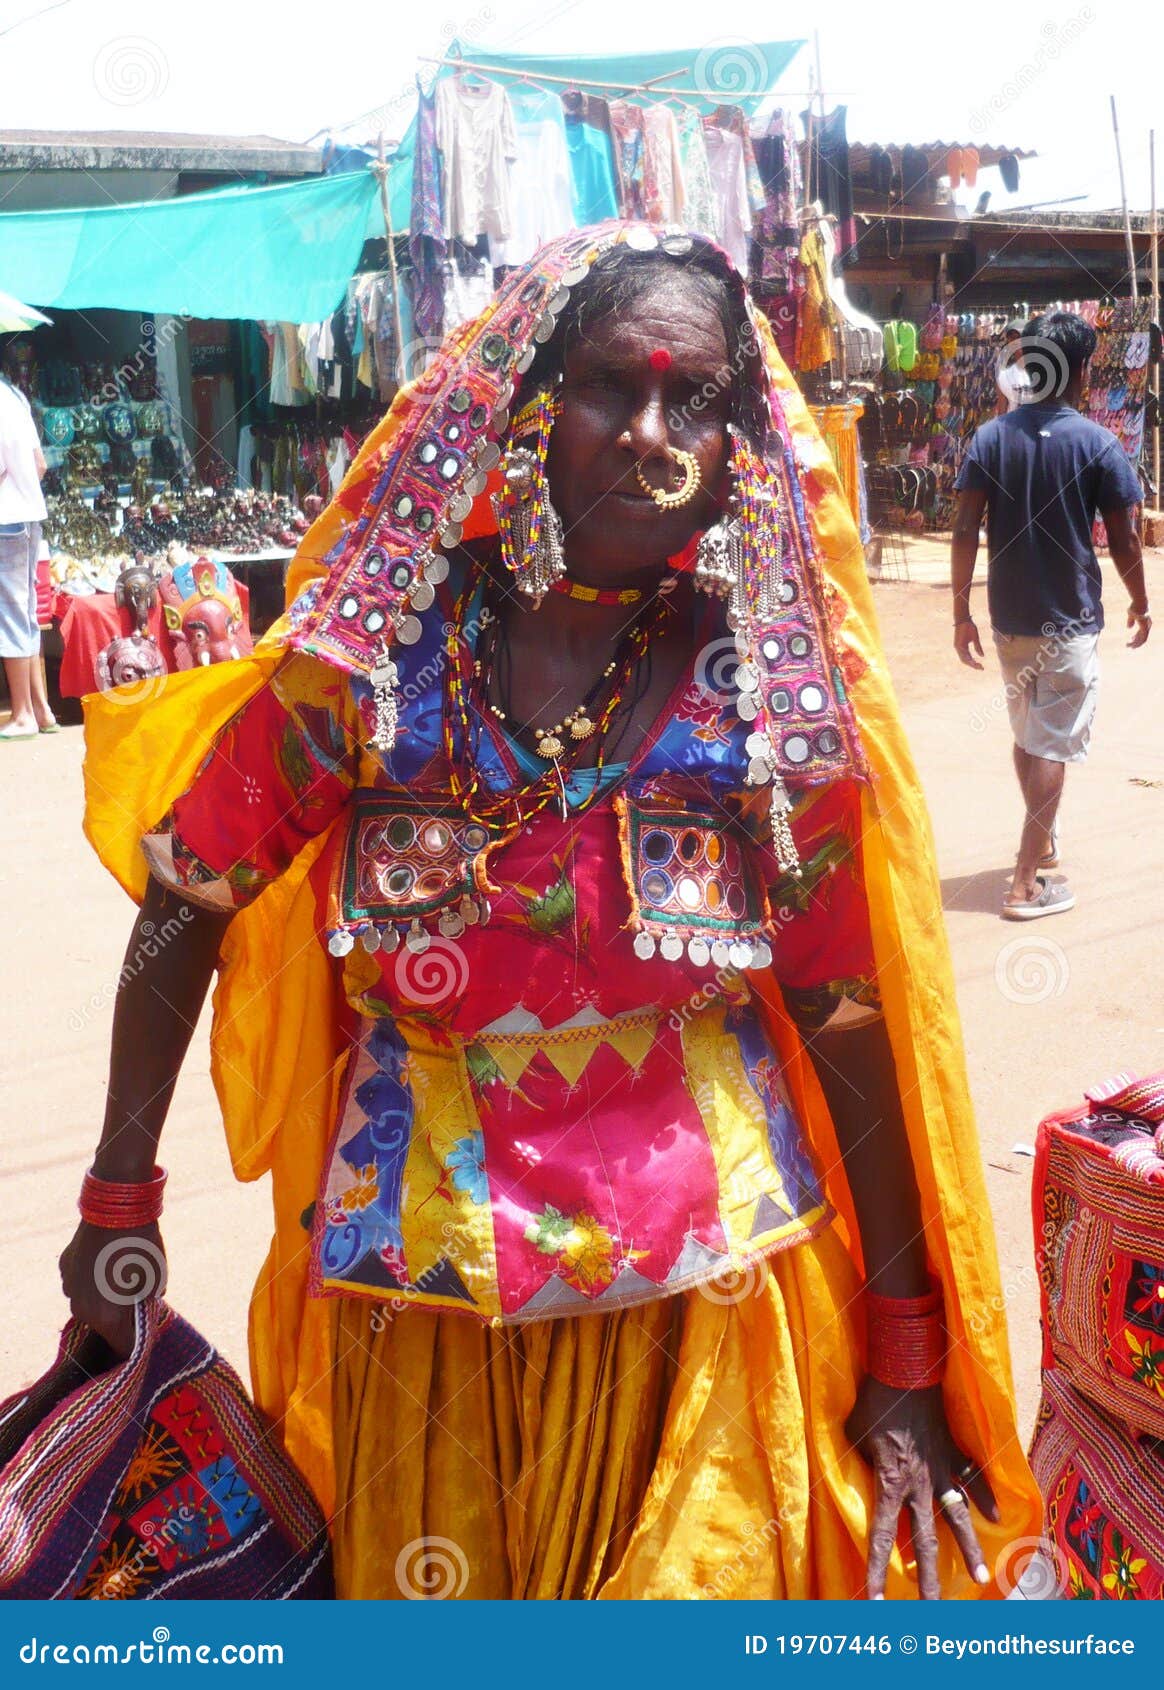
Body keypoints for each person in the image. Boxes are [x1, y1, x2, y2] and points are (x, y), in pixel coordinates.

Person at [63, 223, 1041, 1600]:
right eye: (609, 386)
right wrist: (121, 1195)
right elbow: (188, 894)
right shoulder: (370, 665)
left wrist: (904, 1341)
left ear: (739, 448)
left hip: (708, 1308)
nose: (651, 434)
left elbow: (845, 1009)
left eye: (694, 399)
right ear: (525, 405)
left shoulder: (766, 698)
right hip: (426, 1307)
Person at [951, 309, 1149, 919]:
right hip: (1068, 621)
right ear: (1081, 371)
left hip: (1010, 618)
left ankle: (1043, 838)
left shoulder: (991, 437)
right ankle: (1024, 883)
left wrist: (960, 611)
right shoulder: (1096, 443)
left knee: (1031, 736)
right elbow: (1124, 540)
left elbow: (962, 529)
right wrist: (1141, 600)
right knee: (1054, 746)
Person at [0, 364, 56, 738]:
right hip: (27, 515)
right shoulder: (15, 396)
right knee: (25, 610)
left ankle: (22, 713)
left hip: (6, 519)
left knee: (11, 611)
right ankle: (41, 708)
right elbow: (40, 465)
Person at [994, 317, 1032, 415]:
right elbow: (1002, 410)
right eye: (1012, 338)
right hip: (1013, 427)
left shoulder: (1043, 373)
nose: (1017, 342)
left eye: (1020, 337)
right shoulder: (1004, 376)